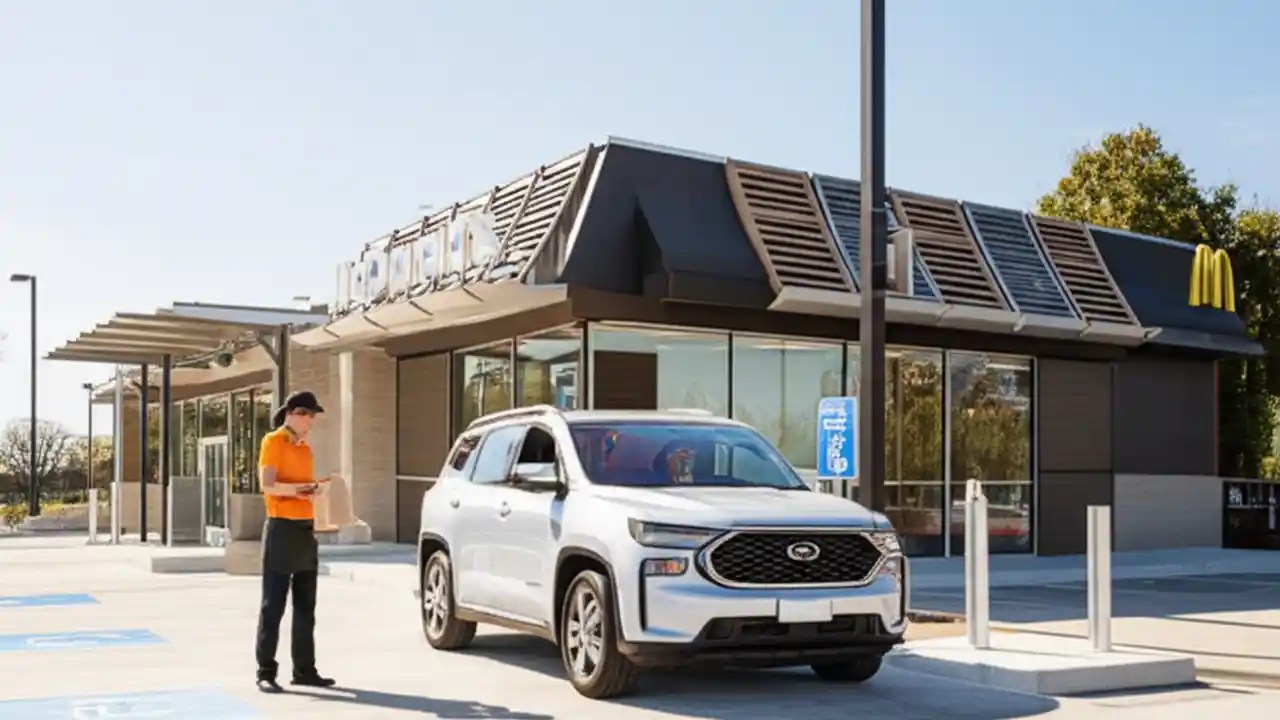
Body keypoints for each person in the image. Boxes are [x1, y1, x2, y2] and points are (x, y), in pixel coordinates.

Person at [254, 390, 337, 693]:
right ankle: (265, 671)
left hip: (305, 530)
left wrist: (317, 491)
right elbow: (268, 485)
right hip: (281, 528)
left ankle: (304, 669)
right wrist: (301, 490)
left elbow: (304, 488)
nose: (311, 421)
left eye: (313, 416)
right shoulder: (273, 441)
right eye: (307, 415)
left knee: (305, 606)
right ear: (292, 414)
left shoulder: (306, 450)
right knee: (273, 605)